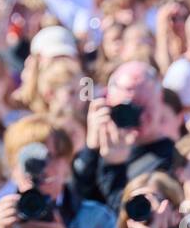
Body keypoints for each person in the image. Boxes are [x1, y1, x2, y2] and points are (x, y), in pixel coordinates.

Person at [71, 61, 174, 214]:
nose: (137, 116)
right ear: (109, 104)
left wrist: (114, 167)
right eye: (127, 107)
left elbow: (127, 216)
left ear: (160, 100)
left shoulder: (172, 159)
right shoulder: (103, 146)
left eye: (144, 107)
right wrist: (91, 149)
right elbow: (76, 204)